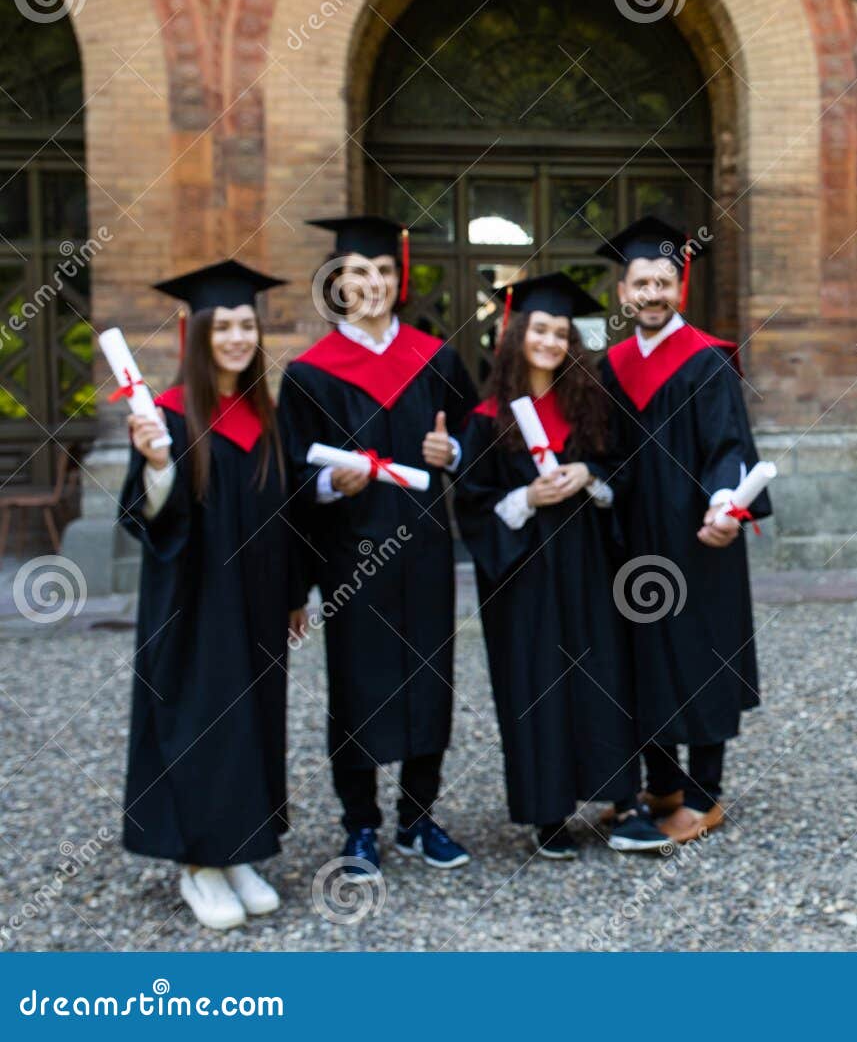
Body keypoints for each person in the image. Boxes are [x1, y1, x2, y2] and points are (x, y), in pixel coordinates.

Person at [277, 216, 478, 880]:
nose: (373, 284)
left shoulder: (435, 358)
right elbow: (286, 477)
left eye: (385, 272)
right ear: (338, 282)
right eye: (360, 272)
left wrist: (451, 451)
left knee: (430, 680)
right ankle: (360, 823)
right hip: (351, 555)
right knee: (358, 686)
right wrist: (331, 482)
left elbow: (477, 436)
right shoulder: (309, 375)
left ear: (400, 279)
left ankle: (418, 816)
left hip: (423, 549)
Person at [454, 273, 672, 859]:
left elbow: (626, 468)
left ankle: (624, 805)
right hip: (522, 578)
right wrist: (528, 498)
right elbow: (470, 503)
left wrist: (589, 477)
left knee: (606, 676)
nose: (550, 341)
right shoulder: (486, 418)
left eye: (560, 332)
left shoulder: (593, 402)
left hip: (591, 567)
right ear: (517, 335)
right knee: (535, 686)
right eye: (540, 330)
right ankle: (548, 813)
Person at [118, 260, 307, 931]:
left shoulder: (266, 414)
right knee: (200, 720)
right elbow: (145, 516)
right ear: (196, 335)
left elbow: (287, 516)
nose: (235, 336)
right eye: (221, 325)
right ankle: (197, 861)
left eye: (245, 324)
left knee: (253, 719)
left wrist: (292, 593)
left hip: (257, 606)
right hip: (192, 607)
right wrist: (160, 465)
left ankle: (237, 849)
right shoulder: (166, 415)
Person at [597, 216, 771, 842]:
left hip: (699, 540)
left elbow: (729, 446)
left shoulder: (708, 362)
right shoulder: (608, 368)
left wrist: (726, 505)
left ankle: (705, 793)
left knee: (701, 651)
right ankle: (661, 781)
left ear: (681, 287)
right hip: (631, 539)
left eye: (663, 282)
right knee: (642, 656)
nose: (652, 293)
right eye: (641, 282)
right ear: (623, 293)